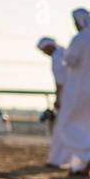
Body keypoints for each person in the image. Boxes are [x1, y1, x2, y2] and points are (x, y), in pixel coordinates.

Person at [51, 8, 90, 178]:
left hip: (77, 92)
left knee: (65, 126)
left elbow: (71, 60)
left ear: (79, 22)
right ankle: (79, 168)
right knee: (87, 129)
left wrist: (62, 55)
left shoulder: (79, 39)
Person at [36, 37, 67, 165]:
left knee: (58, 127)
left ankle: (58, 158)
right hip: (76, 94)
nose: (44, 53)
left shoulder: (57, 57)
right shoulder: (65, 52)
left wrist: (58, 99)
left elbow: (60, 82)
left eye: (44, 50)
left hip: (67, 96)